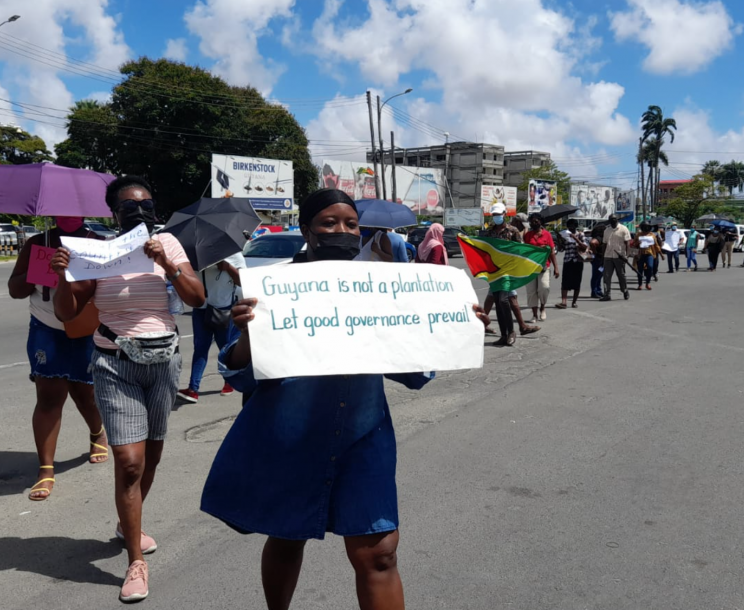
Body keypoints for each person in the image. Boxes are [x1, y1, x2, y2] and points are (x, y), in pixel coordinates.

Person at [200, 189, 490, 610]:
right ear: (307, 230)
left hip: (362, 436)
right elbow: (239, 374)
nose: (342, 231)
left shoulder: (381, 288)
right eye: (329, 223)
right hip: (291, 438)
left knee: (380, 552)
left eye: (351, 224)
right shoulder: (273, 287)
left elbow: (411, 368)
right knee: (286, 536)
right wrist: (248, 331)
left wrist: (456, 327)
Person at [50, 176, 205, 603]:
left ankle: (126, 524)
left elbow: (197, 297)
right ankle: (136, 559)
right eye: (128, 206)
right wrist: (64, 276)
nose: (139, 212)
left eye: (146, 204)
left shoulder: (169, 244)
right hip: (114, 363)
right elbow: (67, 312)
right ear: (113, 213)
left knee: (150, 456)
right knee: (129, 461)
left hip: (162, 362)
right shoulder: (97, 250)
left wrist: (169, 265)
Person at [8, 218, 108, 502]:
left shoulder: (97, 243)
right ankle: (45, 468)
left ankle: (97, 433)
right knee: (49, 397)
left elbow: (108, 286)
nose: (66, 214)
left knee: (85, 393)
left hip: (85, 328)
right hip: (45, 329)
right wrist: (38, 272)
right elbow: (15, 290)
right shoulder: (38, 243)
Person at [177, 252, 245, 403]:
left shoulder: (233, 254)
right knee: (200, 347)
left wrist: (227, 266)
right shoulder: (195, 254)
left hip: (223, 308)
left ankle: (229, 381)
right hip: (201, 307)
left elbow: (242, 281)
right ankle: (193, 389)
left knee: (225, 348)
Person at [481, 204, 539, 346]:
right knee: (498, 302)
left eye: (499, 214)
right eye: (494, 215)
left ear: (505, 214)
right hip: (494, 272)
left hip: (508, 272)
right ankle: (504, 334)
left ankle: (512, 331)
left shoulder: (513, 231)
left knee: (503, 300)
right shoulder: (489, 232)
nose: (496, 217)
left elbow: (519, 251)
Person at [523, 213, 558, 320]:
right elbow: (524, 250)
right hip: (530, 267)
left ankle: (542, 307)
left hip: (544, 266)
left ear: (541, 222)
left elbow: (551, 252)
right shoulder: (528, 235)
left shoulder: (547, 235)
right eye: (532, 221)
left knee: (544, 287)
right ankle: (534, 314)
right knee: (531, 291)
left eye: (536, 220)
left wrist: (556, 267)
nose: (534, 223)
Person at [556, 218, 586, 309]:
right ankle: (564, 302)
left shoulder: (580, 234)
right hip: (568, 260)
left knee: (577, 281)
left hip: (578, 261)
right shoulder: (565, 235)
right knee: (565, 282)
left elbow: (585, 246)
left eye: (573, 226)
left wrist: (575, 238)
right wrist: (560, 241)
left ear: (576, 226)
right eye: (569, 227)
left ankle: (574, 302)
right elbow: (561, 249)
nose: (571, 228)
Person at [600, 215, 630, 302]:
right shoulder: (606, 230)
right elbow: (604, 244)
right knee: (606, 276)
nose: (613, 221)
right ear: (609, 221)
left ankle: (625, 290)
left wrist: (626, 256)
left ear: (617, 219)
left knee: (621, 275)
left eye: (614, 219)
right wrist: (602, 257)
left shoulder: (624, 229)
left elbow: (628, 243)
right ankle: (607, 294)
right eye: (611, 219)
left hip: (619, 257)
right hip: (608, 256)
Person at [635, 223, 660, 290]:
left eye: (647, 227)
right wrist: (638, 243)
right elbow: (633, 244)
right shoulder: (638, 235)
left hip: (649, 254)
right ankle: (640, 284)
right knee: (640, 269)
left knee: (650, 267)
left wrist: (661, 254)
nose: (646, 229)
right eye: (645, 227)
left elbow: (656, 245)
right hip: (640, 254)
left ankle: (647, 283)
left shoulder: (652, 235)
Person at [588, 224, 606, 297]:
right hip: (598, 259)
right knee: (596, 275)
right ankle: (594, 291)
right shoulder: (599, 237)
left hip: (599, 259)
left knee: (599, 275)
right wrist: (595, 251)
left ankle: (598, 290)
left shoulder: (601, 238)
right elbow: (592, 242)